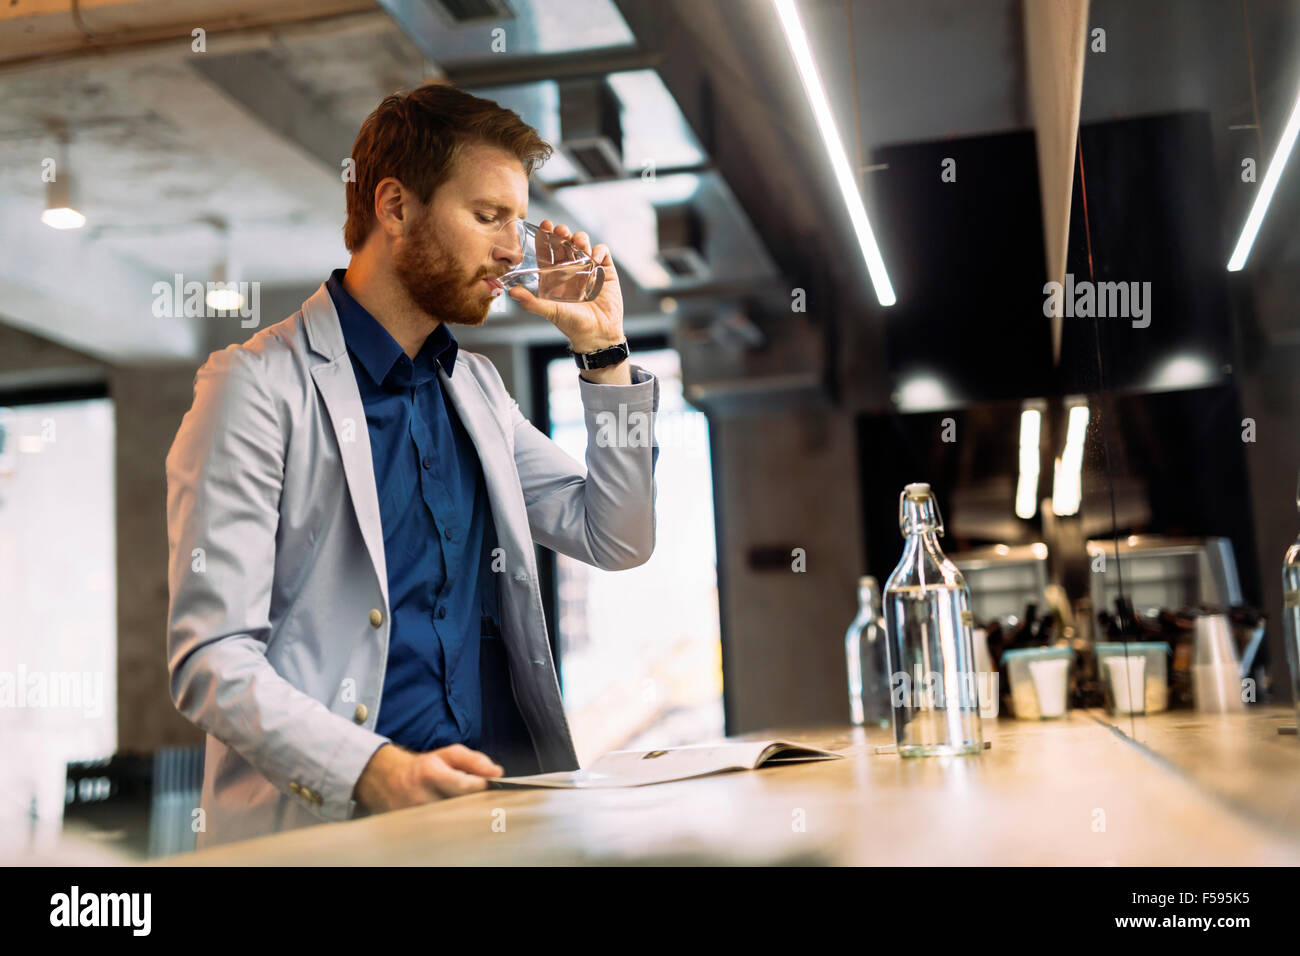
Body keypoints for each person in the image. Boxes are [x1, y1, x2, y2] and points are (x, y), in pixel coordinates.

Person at [165, 83, 659, 849]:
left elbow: (617, 536)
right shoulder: (254, 386)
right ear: (395, 208)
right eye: (488, 216)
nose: (511, 250)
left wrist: (604, 352)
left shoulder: (475, 390)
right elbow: (212, 657)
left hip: (495, 822)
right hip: (336, 837)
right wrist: (373, 770)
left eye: (517, 222)